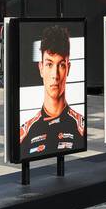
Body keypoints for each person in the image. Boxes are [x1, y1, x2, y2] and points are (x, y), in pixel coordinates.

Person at [18, 24, 85, 155]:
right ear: (41, 68)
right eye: (49, 64)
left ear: (68, 69)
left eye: (61, 65)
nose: (55, 75)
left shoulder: (81, 127)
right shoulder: (25, 133)